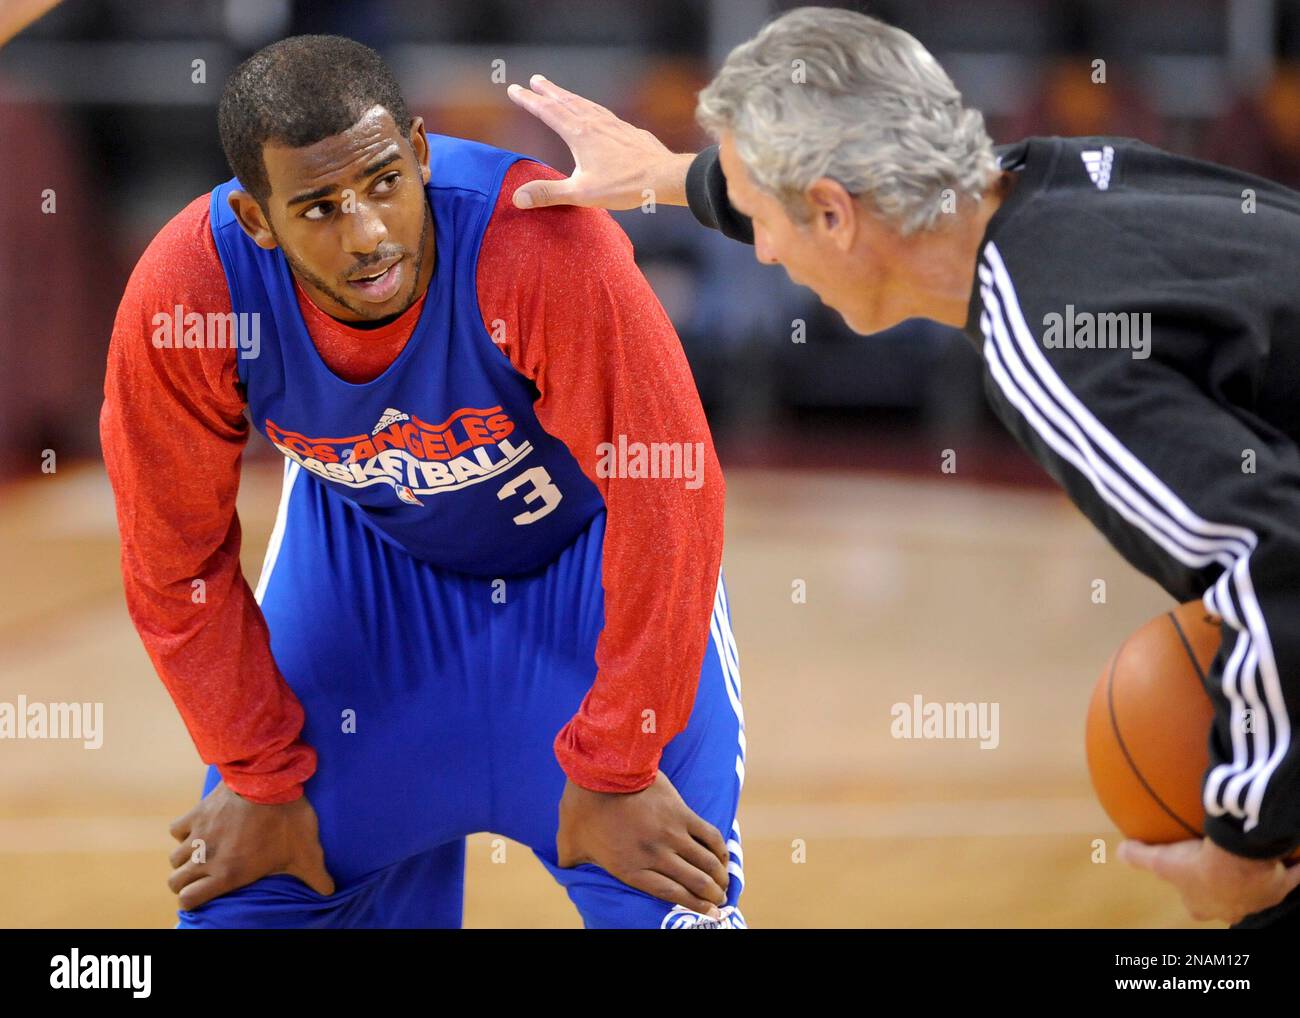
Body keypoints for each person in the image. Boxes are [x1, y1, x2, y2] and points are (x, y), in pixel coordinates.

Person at [506, 5, 1300, 927]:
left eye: (765, 221)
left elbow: (1272, 566)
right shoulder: (1069, 176)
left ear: (834, 213)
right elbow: (835, 163)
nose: (763, 249)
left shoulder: (1045, 341)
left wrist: (1245, 843)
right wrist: (668, 176)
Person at [100, 34, 745, 929]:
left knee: (675, 905)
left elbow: (670, 493)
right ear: (257, 220)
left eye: (384, 184)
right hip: (366, 585)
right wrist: (256, 769)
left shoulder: (539, 242)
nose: (366, 233)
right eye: (320, 208)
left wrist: (620, 764)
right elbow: (173, 556)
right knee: (245, 900)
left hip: (583, 575)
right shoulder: (190, 293)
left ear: (419, 150)